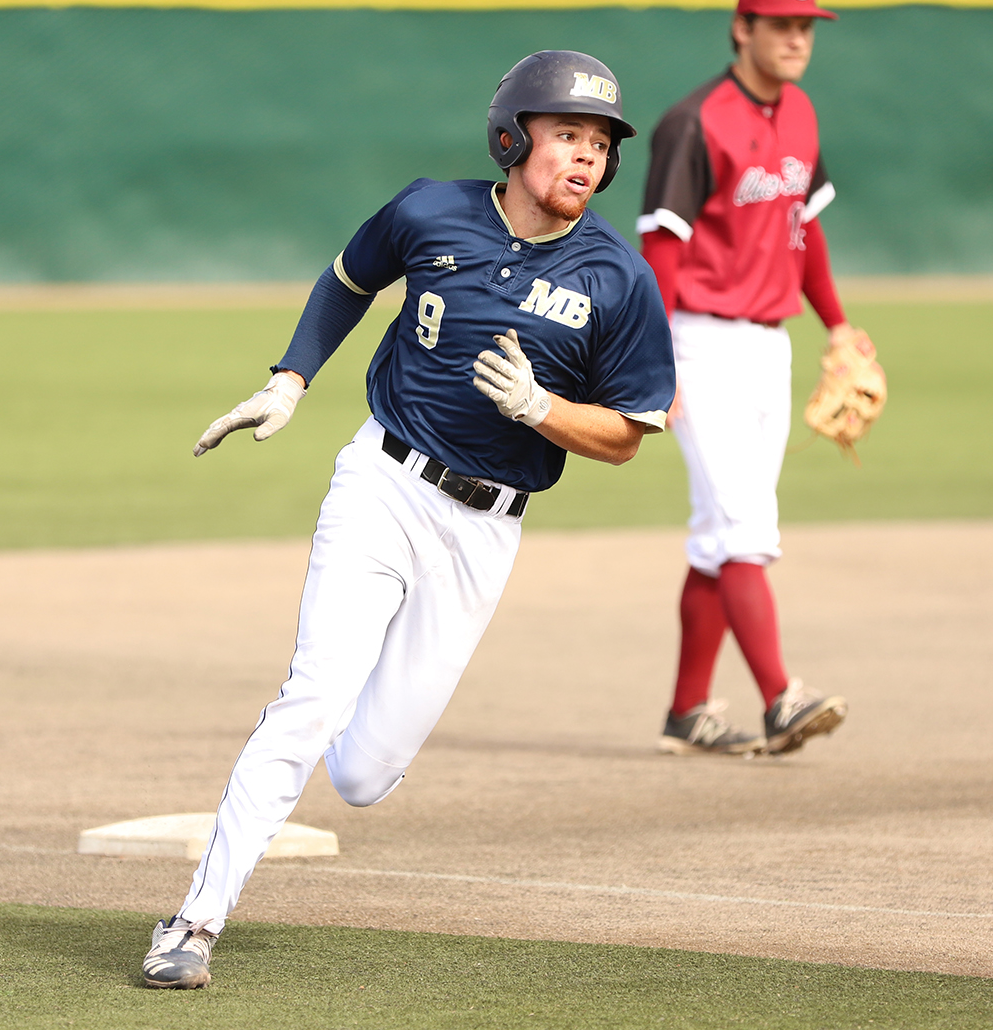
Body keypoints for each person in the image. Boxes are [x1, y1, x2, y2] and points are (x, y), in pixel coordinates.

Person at [142, 50, 676, 990]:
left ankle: (343, 740)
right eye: (566, 136)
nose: (585, 158)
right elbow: (349, 279)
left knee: (363, 775)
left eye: (600, 144)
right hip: (382, 485)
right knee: (311, 696)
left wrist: (541, 411)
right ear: (513, 138)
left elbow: (629, 435)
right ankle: (193, 922)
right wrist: (288, 379)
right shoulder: (430, 211)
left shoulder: (619, 283)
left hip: (483, 532)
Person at [637, 0, 866, 759]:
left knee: (719, 532)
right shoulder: (693, 122)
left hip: (771, 345)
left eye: (806, 28)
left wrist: (836, 325)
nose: (796, 40)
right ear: (743, 29)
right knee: (742, 531)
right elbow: (659, 250)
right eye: (781, 26)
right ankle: (780, 699)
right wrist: (654, 366)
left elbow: (806, 228)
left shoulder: (799, 113)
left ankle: (687, 711)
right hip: (697, 342)